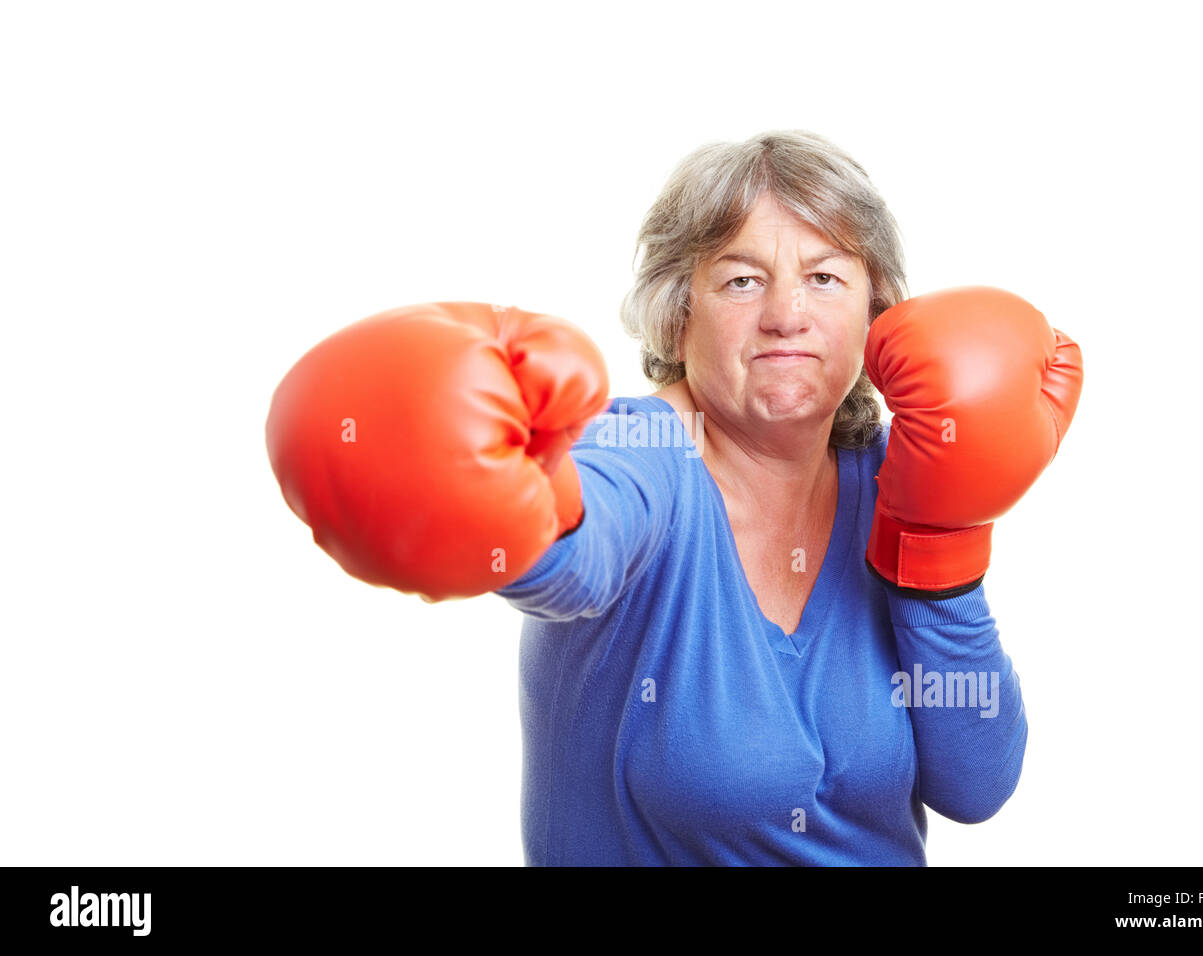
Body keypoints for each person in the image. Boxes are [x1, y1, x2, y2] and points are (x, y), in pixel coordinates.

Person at [265, 129, 1083, 866]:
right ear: (677, 312)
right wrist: (516, 484)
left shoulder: (902, 480)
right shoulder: (641, 457)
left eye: (826, 277)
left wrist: (941, 546)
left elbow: (977, 785)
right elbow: (572, 559)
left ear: (879, 314)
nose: (786, 315)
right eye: (740, 279)